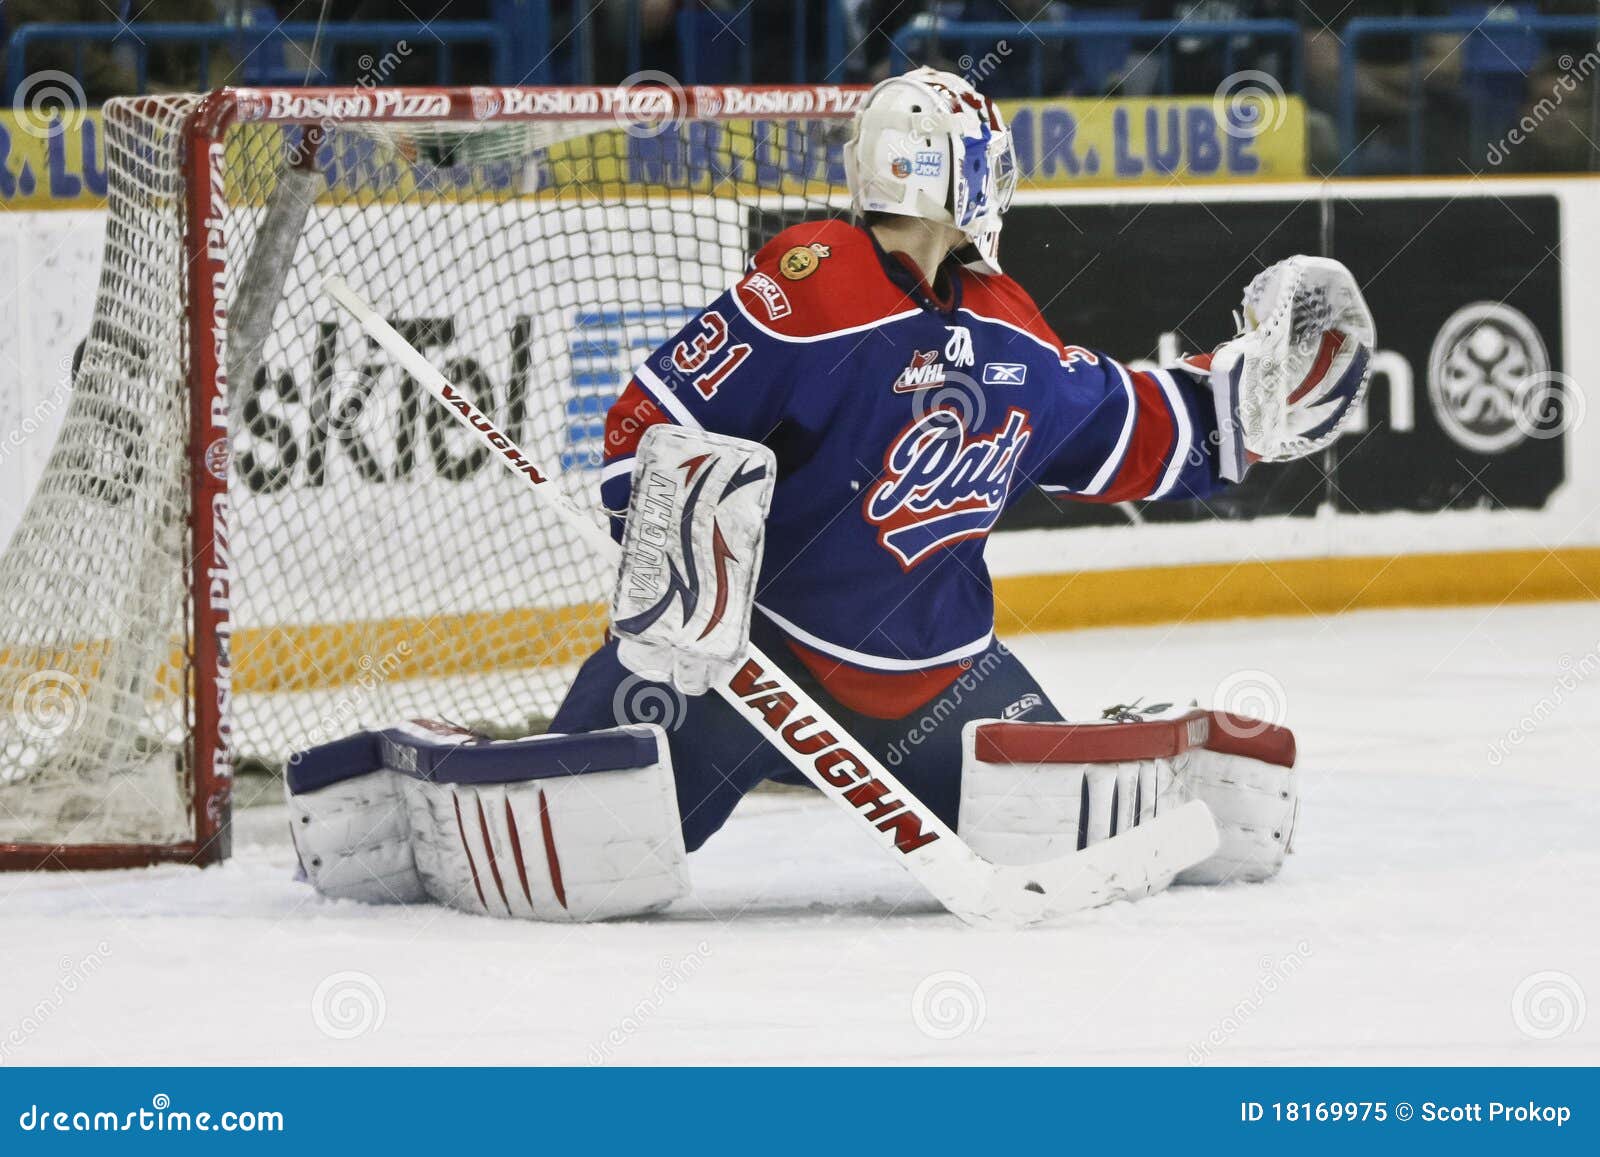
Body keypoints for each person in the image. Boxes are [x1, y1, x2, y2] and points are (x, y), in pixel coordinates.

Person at [288, 67, 1370, 921]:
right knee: (580, 858)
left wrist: (1242, 407)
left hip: (935, 683)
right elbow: (642, 427)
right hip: (741, 670)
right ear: (968, 176)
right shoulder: (816, 278)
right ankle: (428, 771)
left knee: (1062, 839)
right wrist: (683, 567)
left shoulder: (1005, 320)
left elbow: (1111, 429)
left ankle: (1148, 750)